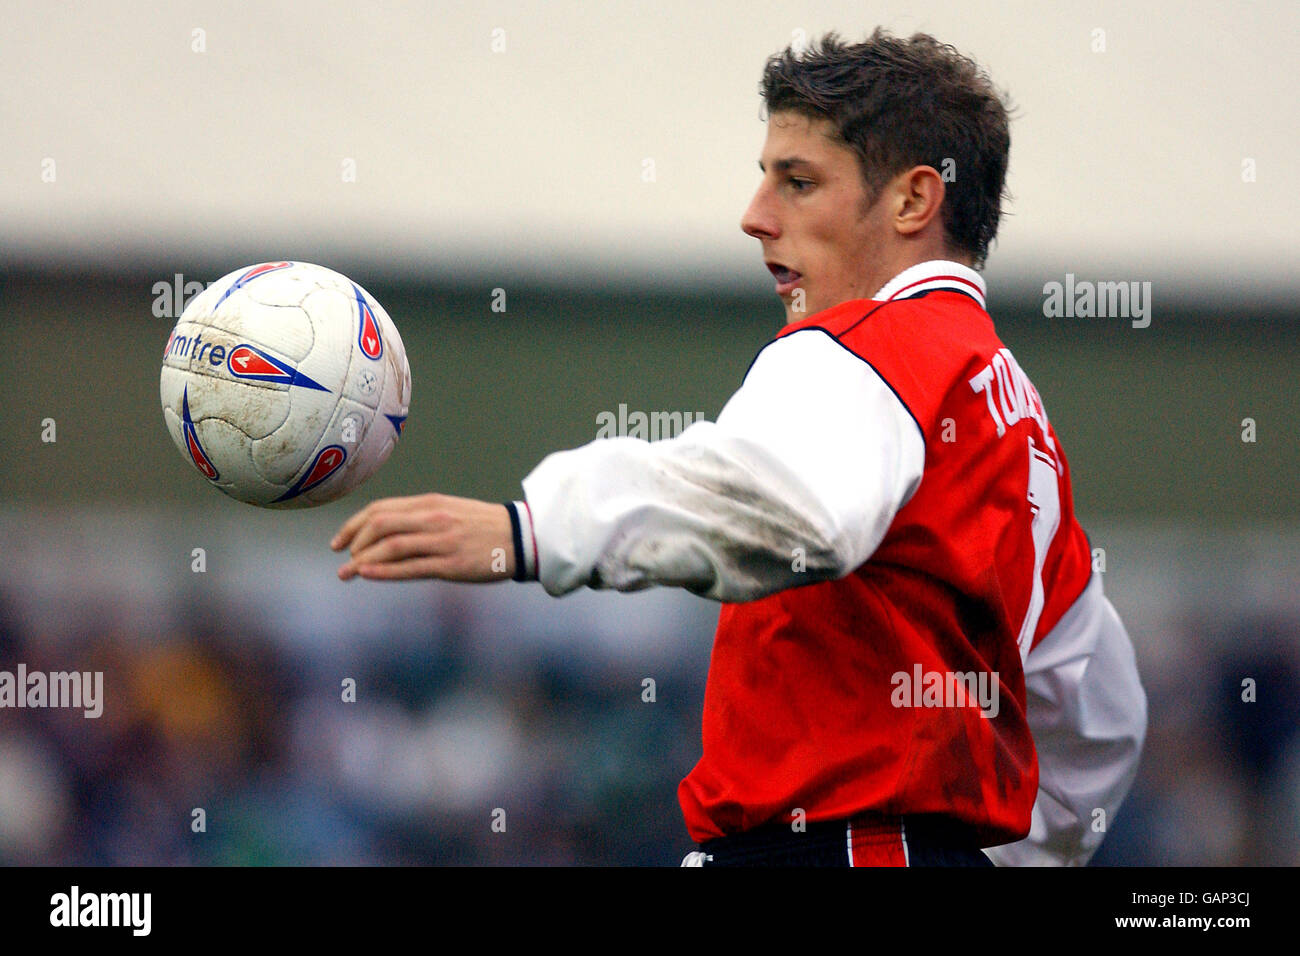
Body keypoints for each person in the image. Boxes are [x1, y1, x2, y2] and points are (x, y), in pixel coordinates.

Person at [331, 29, 1147, 867]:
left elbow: (797, 509)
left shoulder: (872, 345)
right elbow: (1096, 708)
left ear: (913, 201)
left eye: (798, 181)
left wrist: (535, 530)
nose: (756, 216)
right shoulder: (1015, 415)